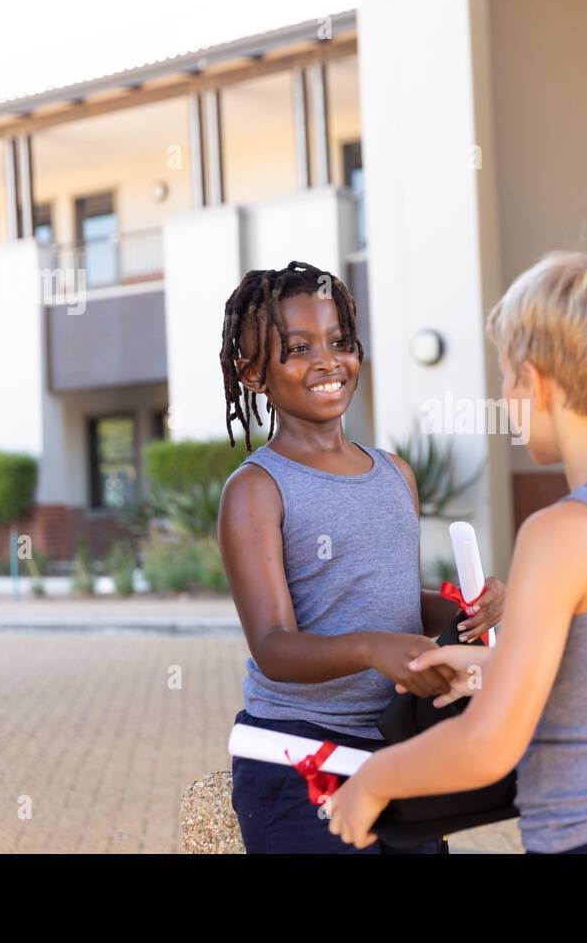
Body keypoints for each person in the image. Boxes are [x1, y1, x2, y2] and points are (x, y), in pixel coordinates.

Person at [326, 250, 587, 854]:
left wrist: (371, 781)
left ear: (536, 382)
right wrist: (491, 668)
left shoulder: (561, 531)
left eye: (507, 377)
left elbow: (489, 746)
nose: (507, 395)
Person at [216, 261, 505, 853]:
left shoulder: (395, 472)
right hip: (299, 763)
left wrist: (467, 607)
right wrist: (373, 649)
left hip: (399, 753)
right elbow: (273, 646)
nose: (328, 361)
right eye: (297, 349)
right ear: (253, 373)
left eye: (340, 342)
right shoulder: (256, 489)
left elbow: (395, 600)